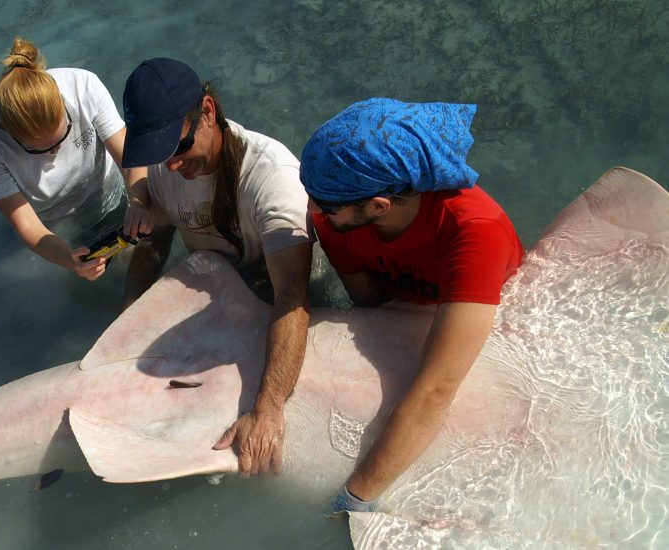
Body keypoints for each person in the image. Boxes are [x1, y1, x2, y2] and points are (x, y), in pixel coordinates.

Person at [299, 99, 524, 511]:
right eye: (312, 196)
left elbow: (438, 389)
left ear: (379, 205)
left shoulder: (476, 232)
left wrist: (356, 498)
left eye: (327, 204)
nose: (314, 212)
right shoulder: (334, 220)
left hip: (489, 330)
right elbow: (370, 304)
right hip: (408, 314)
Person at [120, 58, 313, 476]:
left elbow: (292, 297)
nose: (170, 165)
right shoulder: (165, 167)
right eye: (159, 152)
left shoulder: (274, 181)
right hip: (214, 278)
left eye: (178, 148)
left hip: (274, 282)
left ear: (208, 112)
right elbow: (157, 239)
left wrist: (268, 408)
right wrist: (129, 310)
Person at [0, 37, 132, 281]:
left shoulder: (82, 86)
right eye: (41, 150)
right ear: (11, 136)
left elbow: (129, 158)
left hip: (104, 187)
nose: (56, 152)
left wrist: (138, 201)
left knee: (134, 253)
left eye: (63, 136)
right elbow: (27, 225)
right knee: (87, 280)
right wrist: (69, 260)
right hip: (51, 216)